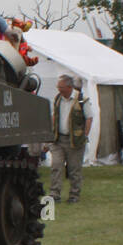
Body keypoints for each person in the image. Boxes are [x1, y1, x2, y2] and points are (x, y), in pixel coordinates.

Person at [46, 75, 93, 203]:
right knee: (56, 165)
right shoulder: (57, 99)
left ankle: (74, 195)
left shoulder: (82, 100)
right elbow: (54, 116)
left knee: (74, 169)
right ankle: (54, 194)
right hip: (58, 140)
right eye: (58, 87)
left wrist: (85, 135)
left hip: (75, 141)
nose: (59, 90)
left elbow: (89, 118)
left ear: (69, 87)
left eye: (61, 87)